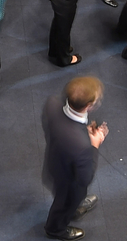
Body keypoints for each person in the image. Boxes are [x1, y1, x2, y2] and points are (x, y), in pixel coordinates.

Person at [41, 76, 109, 241]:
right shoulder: (82, 147)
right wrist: (94, 144)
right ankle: (55, 229)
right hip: (69, 181)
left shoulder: (52, 104)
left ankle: (76, 206)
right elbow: (85, 177)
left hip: (54, 164)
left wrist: (82, 132)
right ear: (89, 106)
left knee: (70, 200)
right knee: (65, 204)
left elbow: (61, 129)